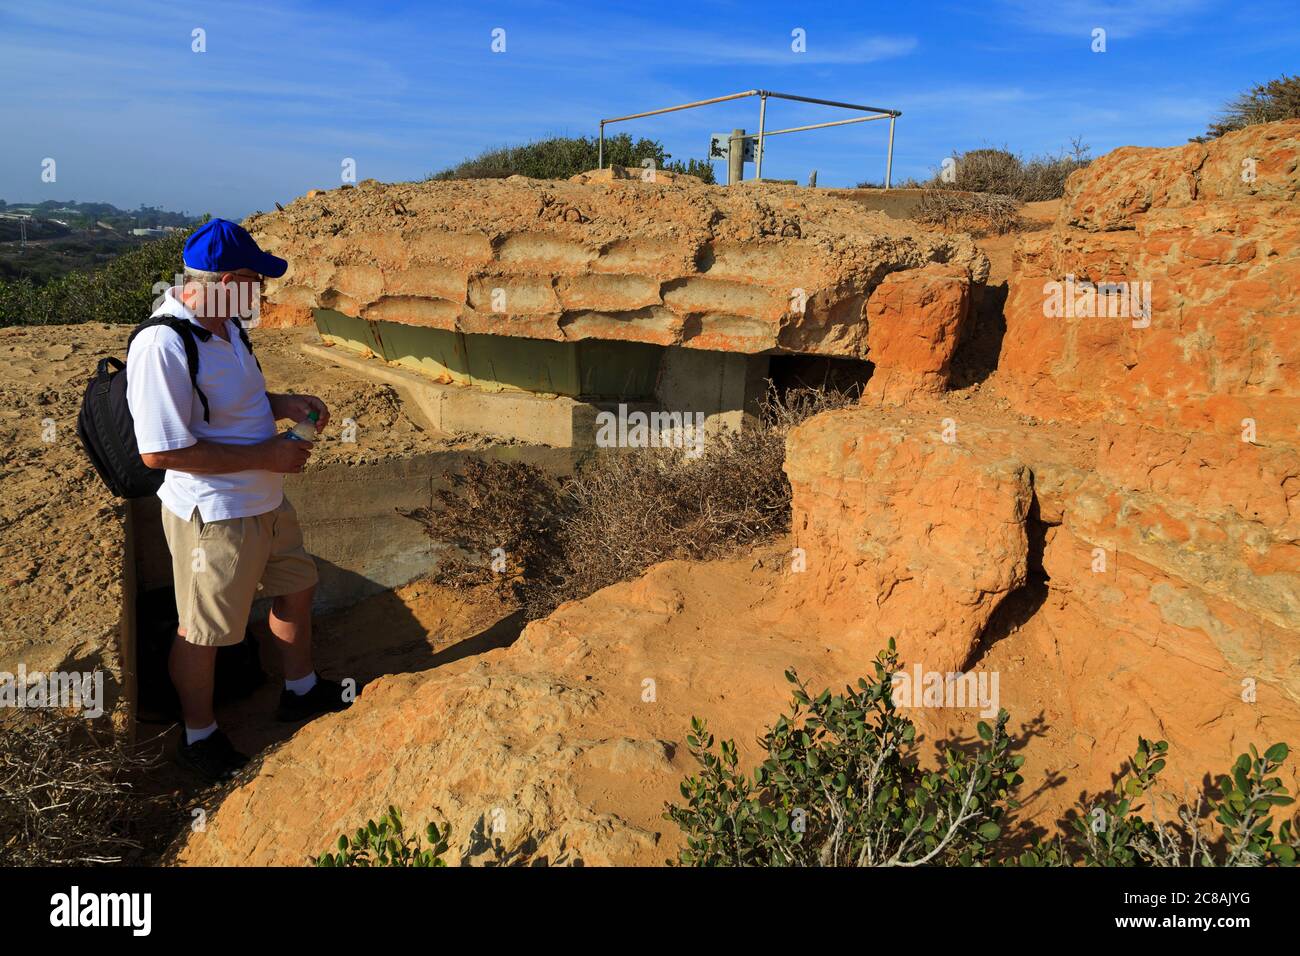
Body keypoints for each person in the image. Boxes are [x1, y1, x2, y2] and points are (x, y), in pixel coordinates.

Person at [126, 218, 351, 783]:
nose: (263, 293)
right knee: (202, 631)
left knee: (296, 588)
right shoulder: (163, 345)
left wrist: (284, 403)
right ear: (227, 279)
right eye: (257, 281)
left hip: (266, 502)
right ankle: (199, 735)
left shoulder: (228, 328)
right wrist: (268, 458)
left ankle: (299, 690)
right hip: (215, 517)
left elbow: (235, 403)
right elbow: (161, 452)